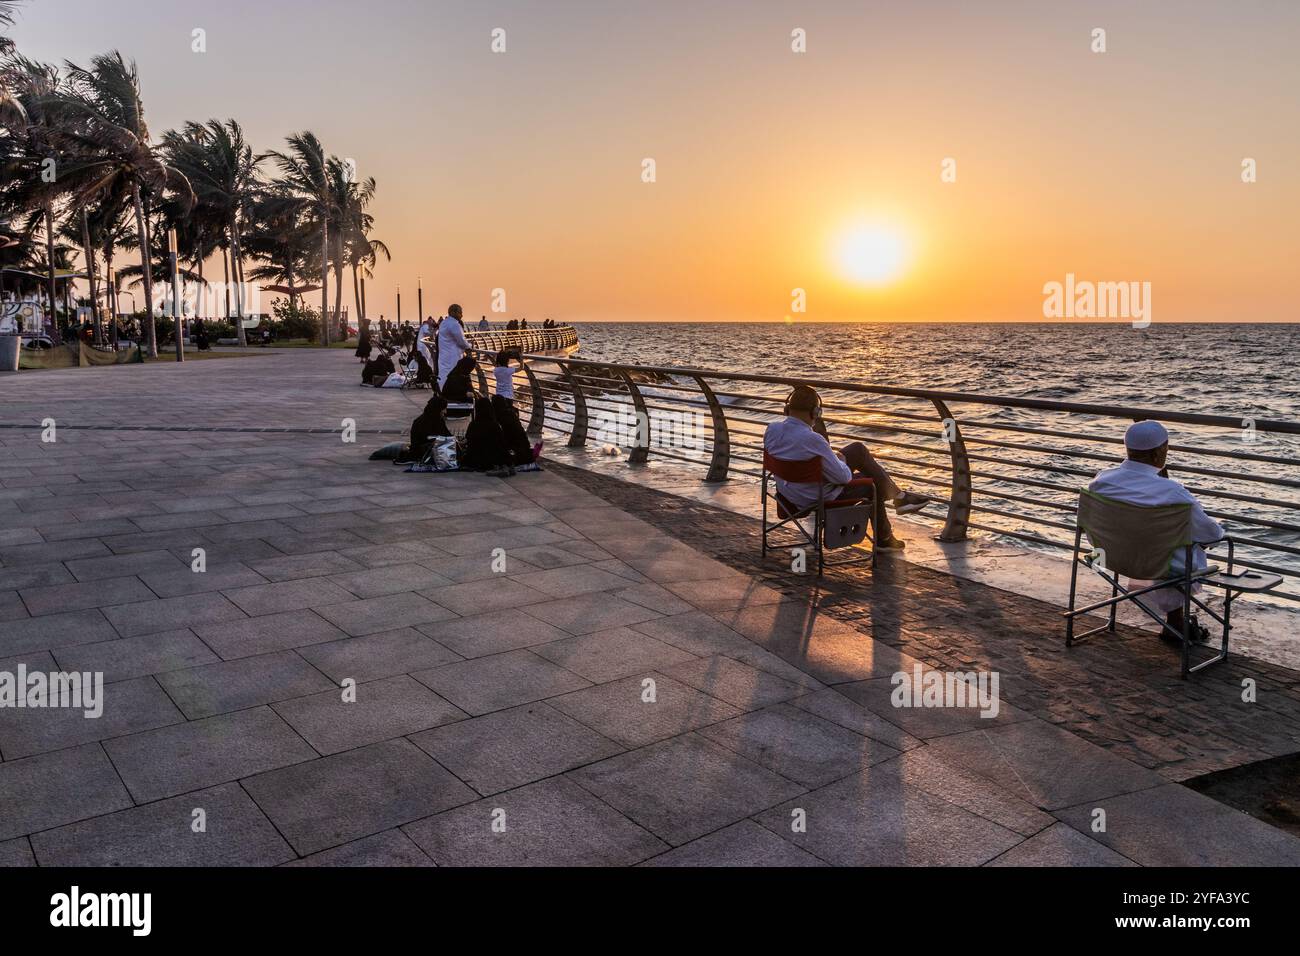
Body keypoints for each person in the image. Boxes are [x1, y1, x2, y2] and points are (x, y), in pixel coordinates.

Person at [1088, 420, 1223, 644]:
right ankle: (1176, 623)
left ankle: (1175, 622)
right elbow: (1213, 535)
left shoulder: (1101, 481)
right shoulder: (1172, 493)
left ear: (1128, 448)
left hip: (1110, 558)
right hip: (1159, 566)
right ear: (1161, 451)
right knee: (1183, 548)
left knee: (1155, 543)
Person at [763, 385, 927, 552]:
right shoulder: (813, 440)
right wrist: (839, 461)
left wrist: (834, 460)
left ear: (786, 410)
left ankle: (899, 497)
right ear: (815, 413)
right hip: (817, 497)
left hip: (788, 494)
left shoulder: (772, 429)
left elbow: (794, 454)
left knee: (857, 450)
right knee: (872, 483)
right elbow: (844, 478)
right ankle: (884, 536)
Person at [462, 396, 513, 475]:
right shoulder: (494, 425)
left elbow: (468, 440)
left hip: (475, 460)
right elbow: (501, 443)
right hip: (491, 460)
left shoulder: (473, 425)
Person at [492, 393, 543, 468]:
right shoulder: (512, 413)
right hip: (523, 442)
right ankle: (530, 453)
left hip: (511, 445)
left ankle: (528, 454)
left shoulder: (497, 416)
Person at [436, 303, 472, 389]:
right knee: (452, 375)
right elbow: (462, 341)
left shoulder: (444, 323)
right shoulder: (454, 324)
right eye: (460, 312)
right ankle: (449, 393)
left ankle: (442, 392)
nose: (462, 315)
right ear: (453, 312)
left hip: (444, 355)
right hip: (453, 356)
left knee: (444, 373)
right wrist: (469, 346)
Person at [409, 394, 452, 460]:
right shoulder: (421, 422)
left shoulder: (438, 419)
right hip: (422, 450)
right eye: (443, 409)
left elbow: (447, 434)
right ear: (437, 409)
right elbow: (428, 439)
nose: (445, 412)